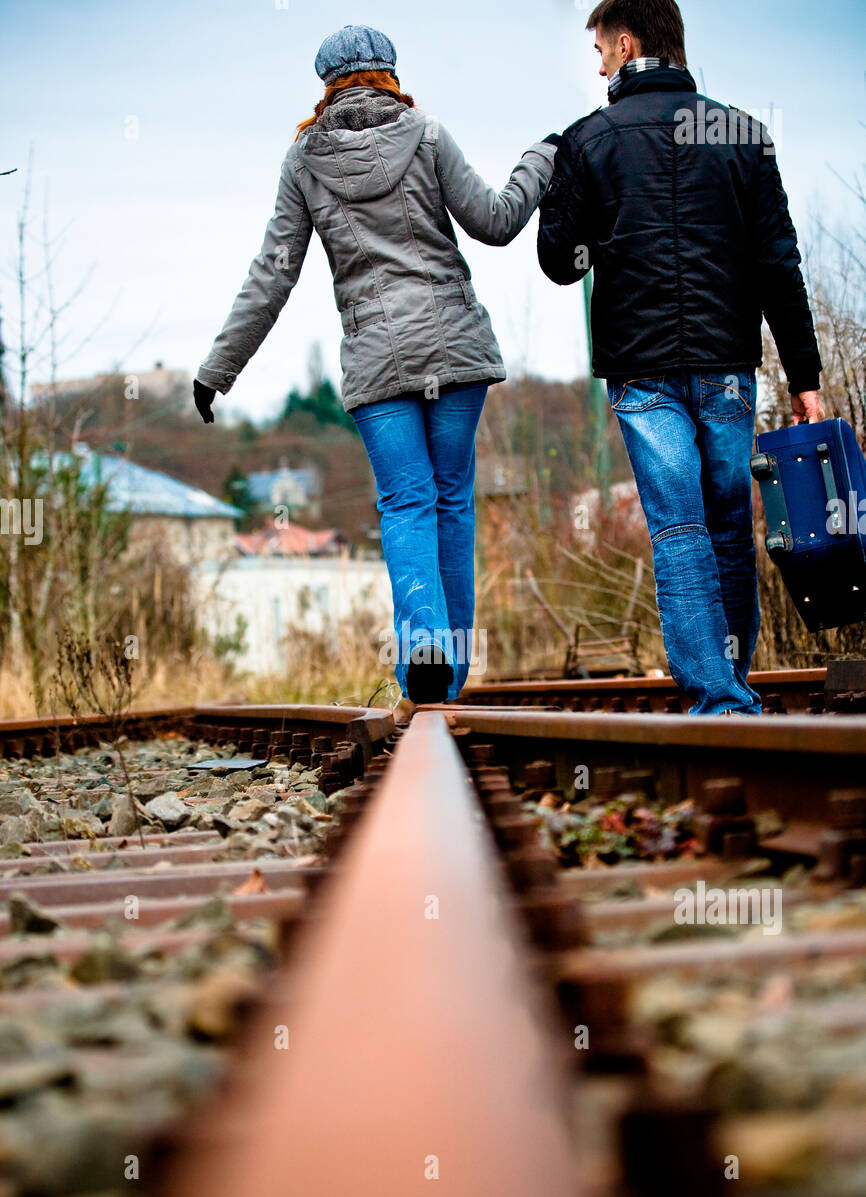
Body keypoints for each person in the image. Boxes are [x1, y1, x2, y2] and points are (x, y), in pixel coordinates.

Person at [194, 25, 559, 712]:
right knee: (450, 501)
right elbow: (496, 219)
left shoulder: (303, 161)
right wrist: (542, 157)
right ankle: (446, 677)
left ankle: (422, 648)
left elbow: (274, 275)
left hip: (378, 361)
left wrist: (219, 367)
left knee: (406, 504)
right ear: (389, 73)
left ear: (327, 83)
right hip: (455, 350)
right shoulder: (425, 134)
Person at [537, 0, 824, 716]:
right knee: (729, 523)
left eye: (601, 49)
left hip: (642, 371)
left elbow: (559, 264)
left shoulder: (587, 140)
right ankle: (732, 682)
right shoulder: (741, 135)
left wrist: (558, 180)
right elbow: (778, 266)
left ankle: (717, 696)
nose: (598, 64)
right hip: (728, 362)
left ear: (628, 44)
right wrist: (806, 379)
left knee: (679, 526)